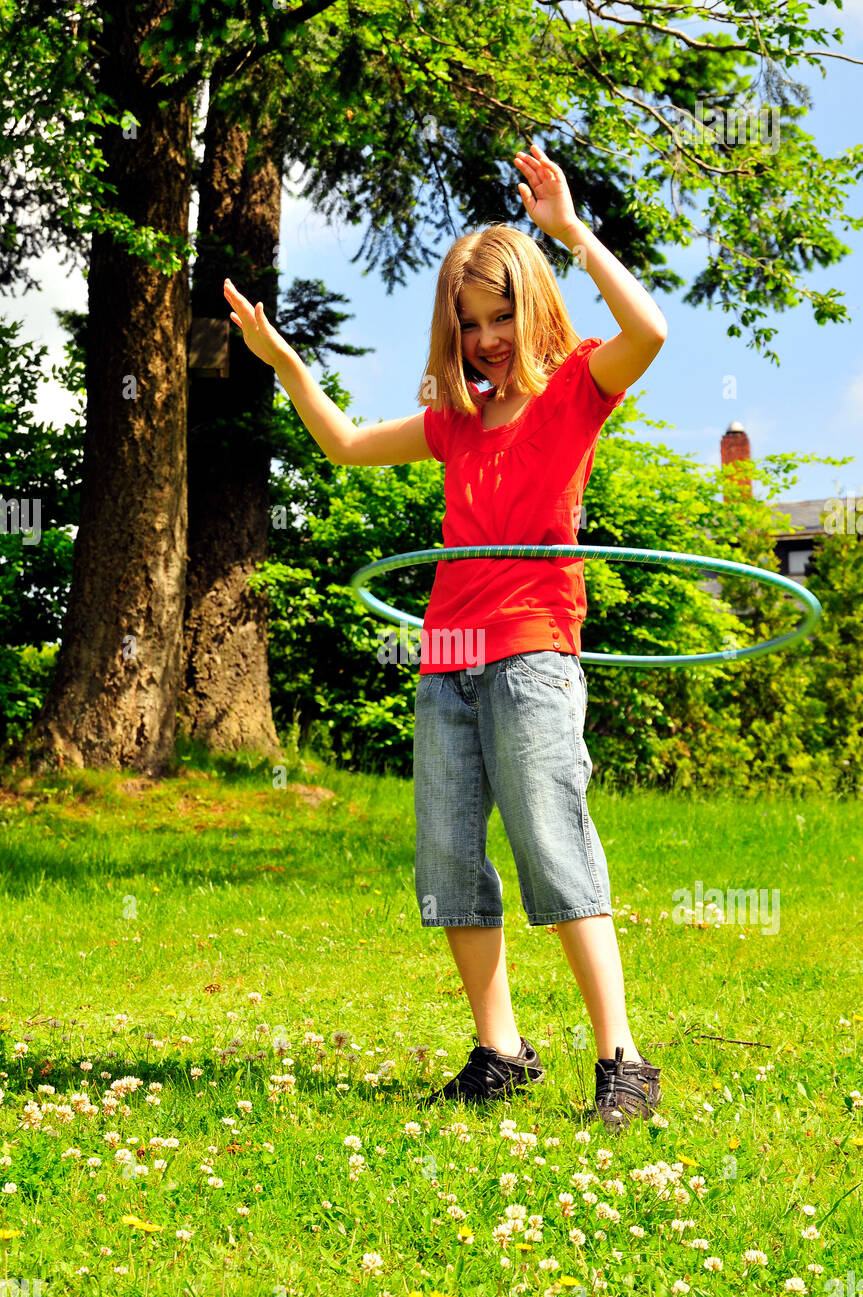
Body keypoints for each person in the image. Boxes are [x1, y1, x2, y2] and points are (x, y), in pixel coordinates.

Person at [224, 142, 668, 1133]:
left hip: (532, 653)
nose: (485, 339)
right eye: (467, 324)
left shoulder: (577, 390)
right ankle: (499, 1050)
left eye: (500, 315)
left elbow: (651, 328)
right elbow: (340, 444)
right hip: (447, 659)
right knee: (447, 864)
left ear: (533, 308)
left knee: (554, 845)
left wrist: (564, 230)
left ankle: (621, 1058)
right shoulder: (450, 423)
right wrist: (285, 361)